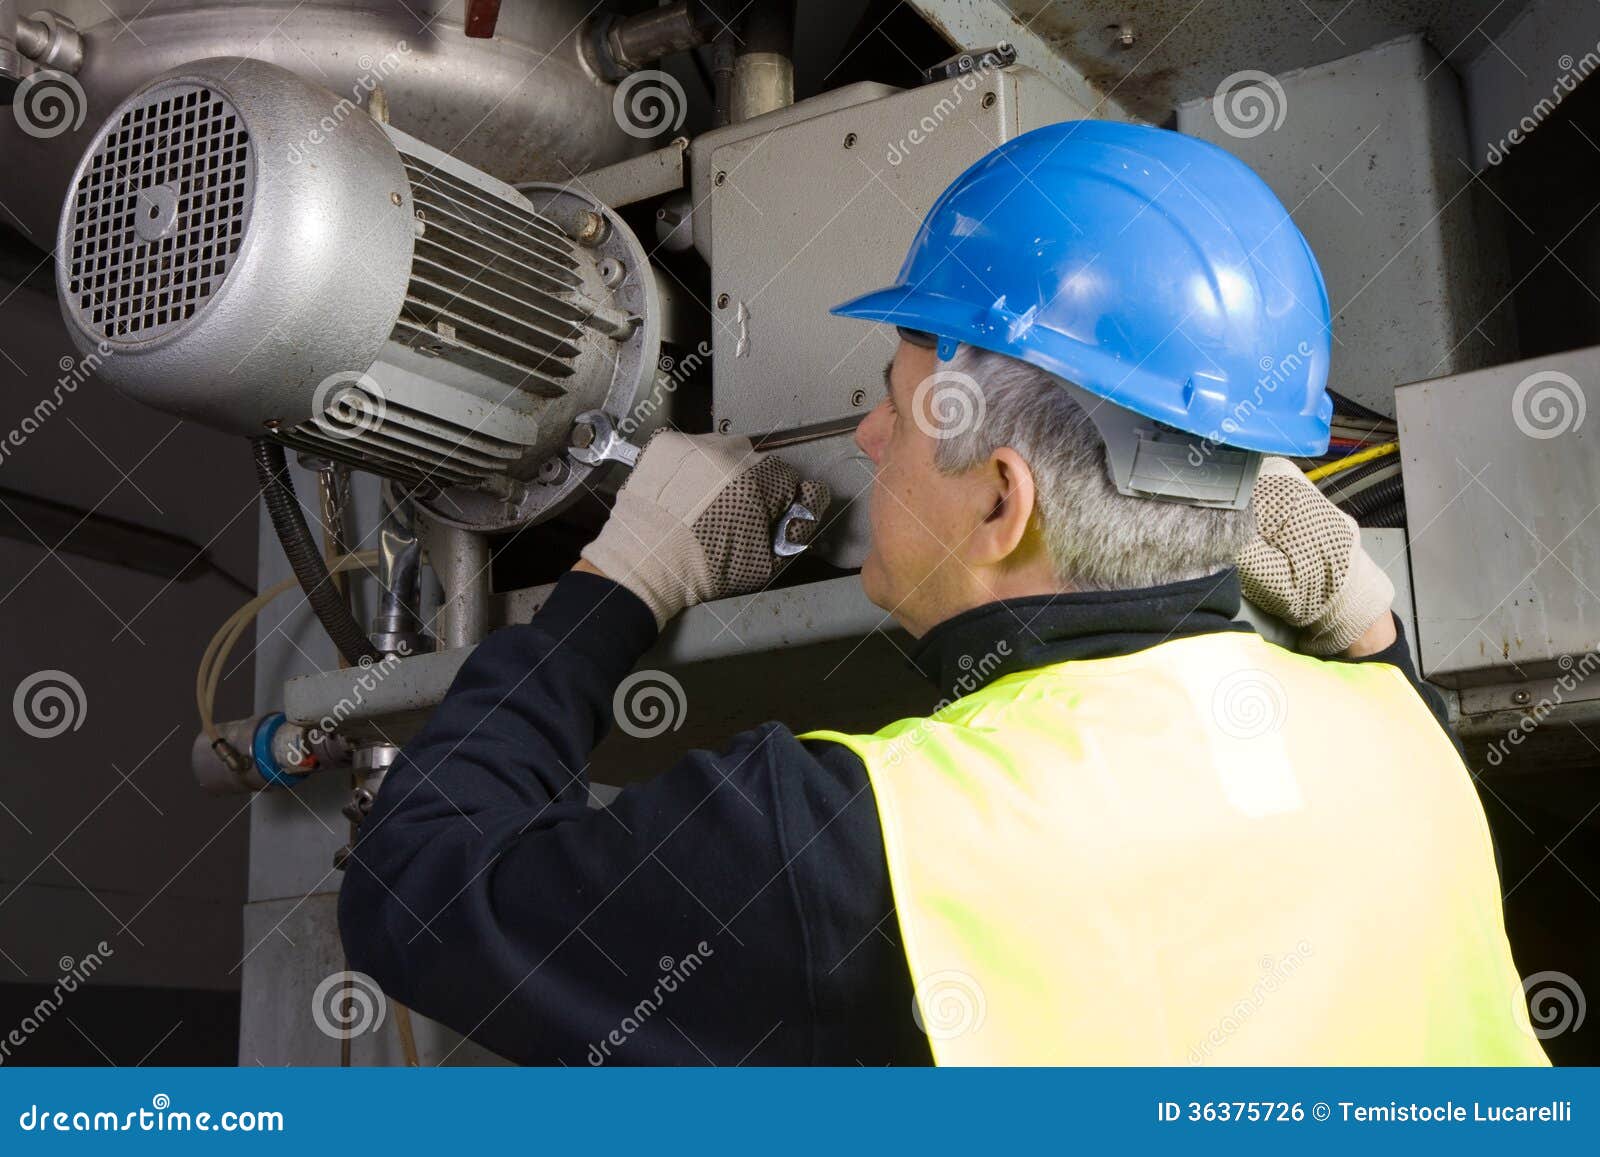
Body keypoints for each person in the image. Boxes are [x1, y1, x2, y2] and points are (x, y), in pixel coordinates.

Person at [339, 121, 1547, 1065]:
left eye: (899, 401)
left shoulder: (858, 840)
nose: (864, 436)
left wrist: (623, 576)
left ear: (999, 501)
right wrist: (1367, 624)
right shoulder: (1400, 741)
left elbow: (416, 894)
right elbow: (1386, 705)